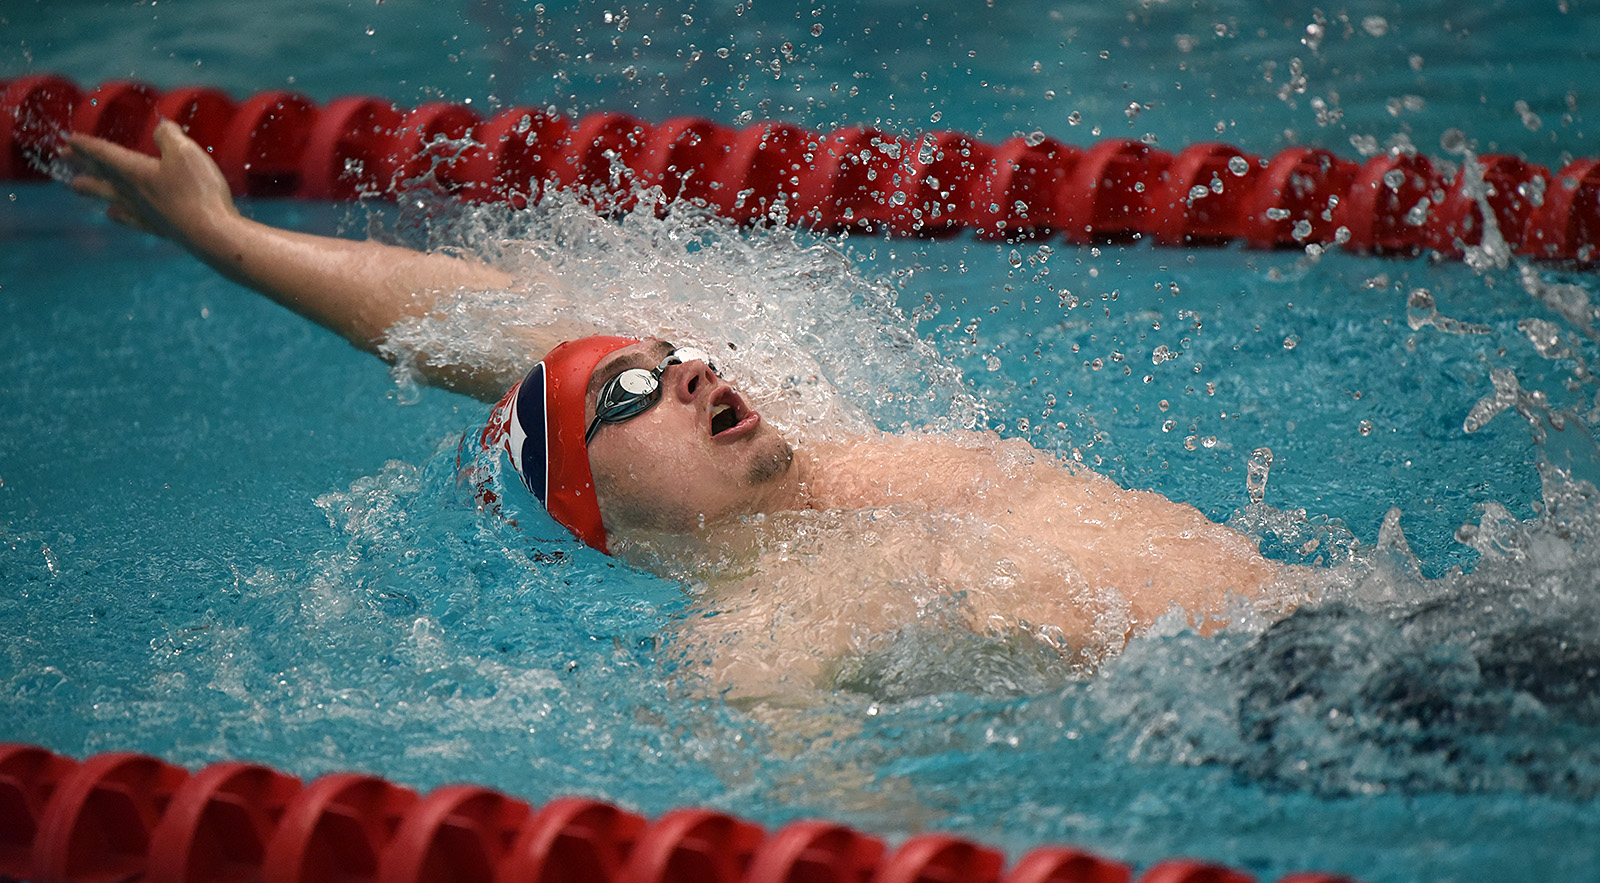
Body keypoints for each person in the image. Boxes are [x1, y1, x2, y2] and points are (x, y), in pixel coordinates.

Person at [66, 121, 1301, 699]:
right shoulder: (764, 632)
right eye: (632, 392)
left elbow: (464, 321)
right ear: (592, 511)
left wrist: (224, 236)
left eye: (674, 354)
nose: (694, 369)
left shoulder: (839, 458)